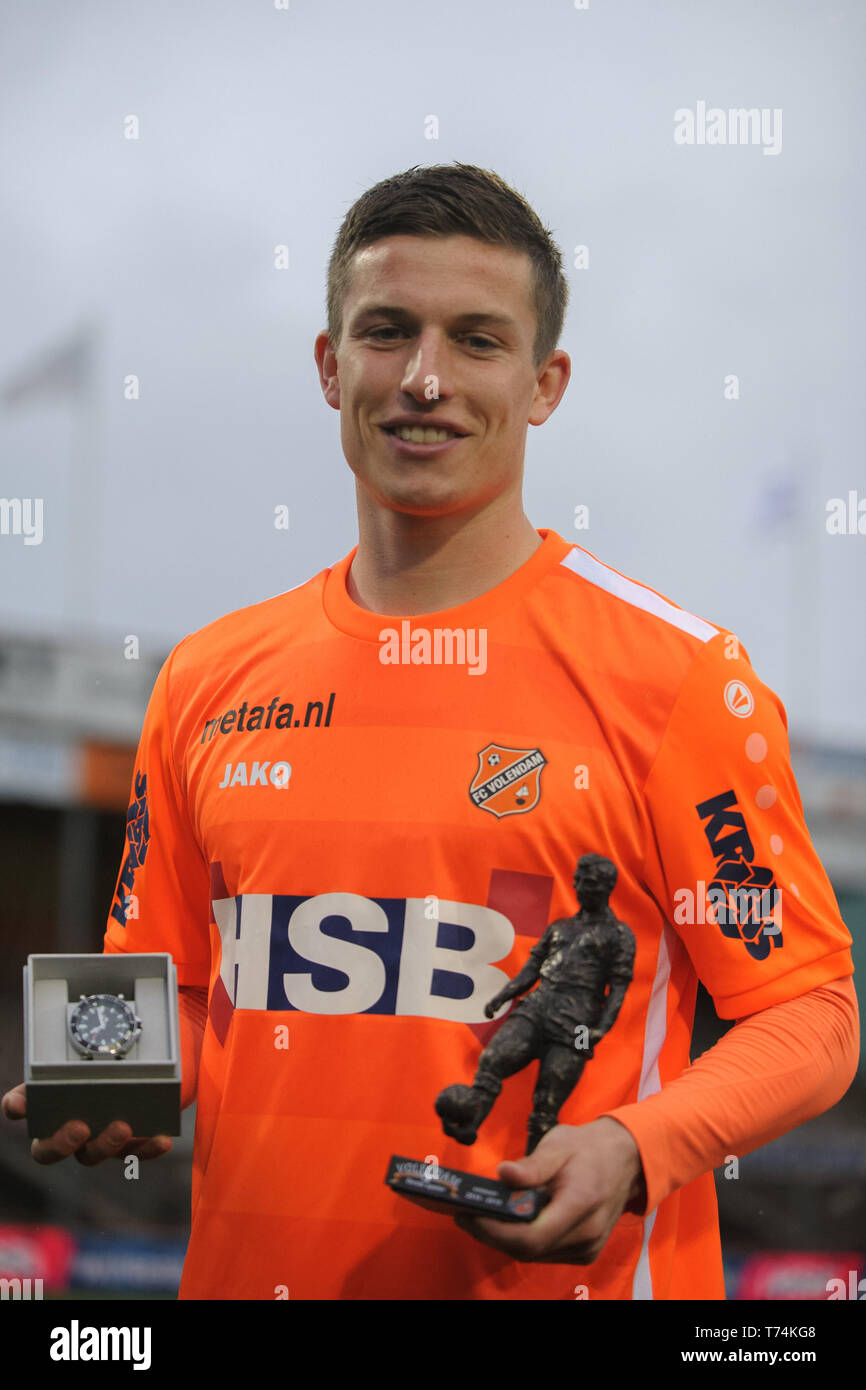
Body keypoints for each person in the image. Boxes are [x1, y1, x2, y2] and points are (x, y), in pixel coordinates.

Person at [2, 163, 858, 1301]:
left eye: (476, 340)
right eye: (387, 331)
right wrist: (107, 1081)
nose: (423, 379)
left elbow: (807, 1011)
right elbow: (183, 986)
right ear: (328, 363)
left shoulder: (678, 679)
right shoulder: (207, 678)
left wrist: (638, 1145)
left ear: (544, 382)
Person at [436, 853, 636, 1153]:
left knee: (549, 1098)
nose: (581, 887)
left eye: (590, 883)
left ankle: (533, 1180)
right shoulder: (560, 927)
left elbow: (618, 987)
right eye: (578, 881)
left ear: (606, 887)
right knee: (492, 1060)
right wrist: (503, 995)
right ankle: (468, 1125)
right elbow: (533, 968)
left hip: (579, 1022)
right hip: (538, 1004)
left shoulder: (619, 935)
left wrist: (600, 1029)